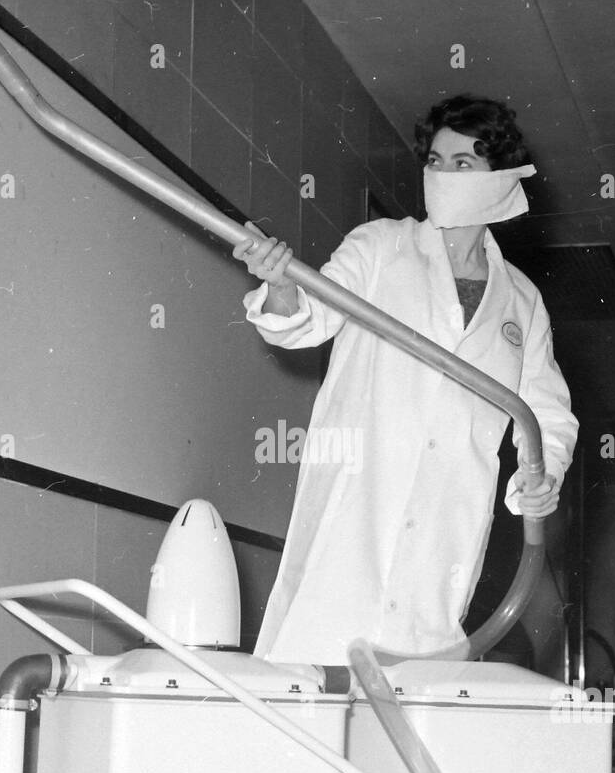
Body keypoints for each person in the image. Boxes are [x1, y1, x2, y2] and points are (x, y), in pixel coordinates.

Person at [234, 95, 578, 667]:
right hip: (358, 505)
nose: (443, 175)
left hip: (446, 525)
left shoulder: (522, 299)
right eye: (436, 161)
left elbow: (545, 414)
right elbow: (303, 323)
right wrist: (280, 286)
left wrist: (541, 474)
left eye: (463, 164)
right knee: (313, 685)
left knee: (412, 703)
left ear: (501, 179)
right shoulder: (381, 246)